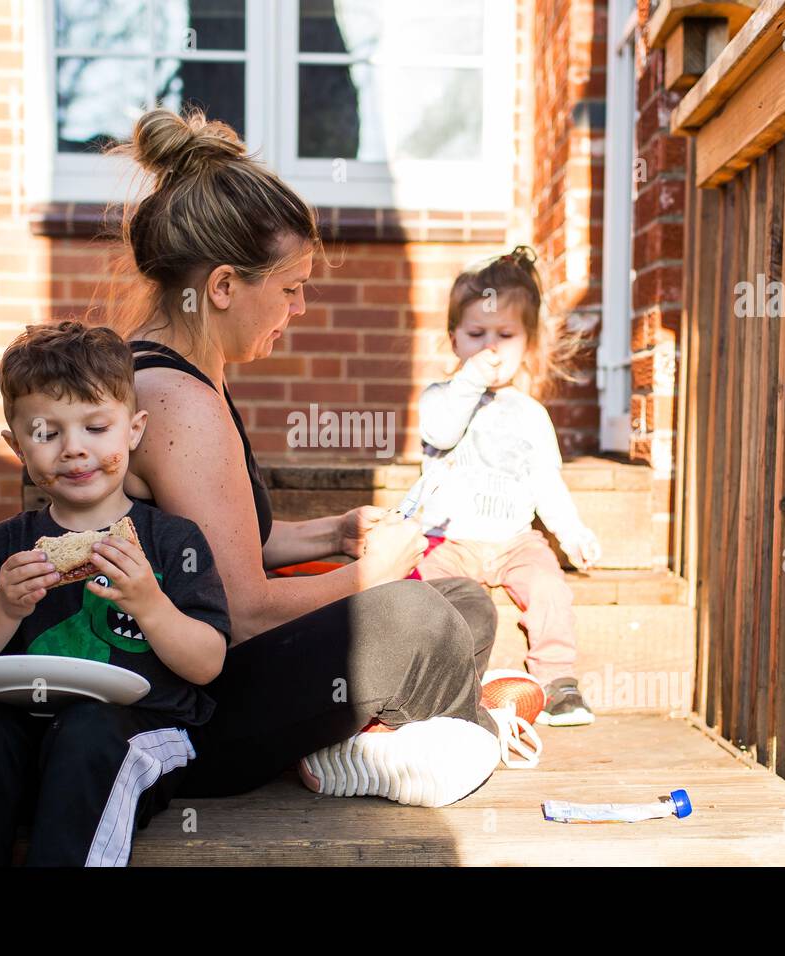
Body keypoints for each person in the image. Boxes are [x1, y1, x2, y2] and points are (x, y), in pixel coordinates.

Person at [102, 108, 535, 808]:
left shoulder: (186, 368)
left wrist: (331, 534)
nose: (300, 307)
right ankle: (454, 733)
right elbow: (243, 614)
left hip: (224, 673)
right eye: (291, 287)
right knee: (417, 617)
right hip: (193, 720)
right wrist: (371, 574)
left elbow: (221, 548)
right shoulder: (177, 401)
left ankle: (368, 743)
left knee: (462, 605)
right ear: (221, 287)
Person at [0, 321, 232, 866]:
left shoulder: (171, 541)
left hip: (142, 732)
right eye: (46, 433)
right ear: (16, 445)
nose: (74, 450)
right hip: (28, 734)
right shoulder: (6, 547)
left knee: (90, 733)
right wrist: (4, 607)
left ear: (133, 431)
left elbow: (208, 663)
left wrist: (150, 604)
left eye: (96, 427)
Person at [409, 245, 602, 727]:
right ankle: (441, 679)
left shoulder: (531, 414)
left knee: (549, 588)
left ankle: (559, 682)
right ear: (454, 340)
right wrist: (470, 382)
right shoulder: (440, 398)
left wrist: (571, 529)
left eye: (505, 335)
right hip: (450, 537)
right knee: (427, 589)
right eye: (476, 334)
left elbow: (545, 481)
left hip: (515, 539)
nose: (490, 348)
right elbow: (442, 433)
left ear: (527, 343)